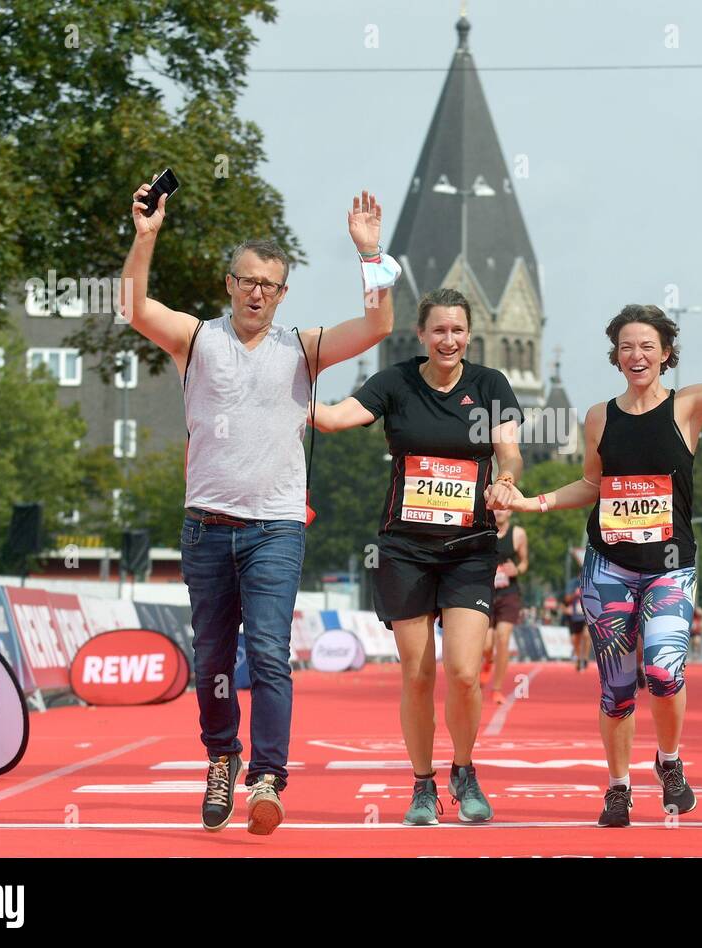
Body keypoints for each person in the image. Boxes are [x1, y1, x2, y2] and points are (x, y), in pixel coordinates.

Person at [119, 183, 398, 836]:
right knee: (213, 658)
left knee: (269, 651)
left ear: (282, 294)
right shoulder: (196, 339)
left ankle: (268, 777)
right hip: (206, 528)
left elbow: (381, 325)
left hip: (274, 528)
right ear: (229, 284)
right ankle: (221, 757)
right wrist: (146, 234)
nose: (255, 293)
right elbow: (131, 307)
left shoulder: (301, 348)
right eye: (246, 281)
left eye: (268, 285)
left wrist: (370, 252)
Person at [498, 271, 702, 827]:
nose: (636, 355)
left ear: (666, 353)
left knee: (664, 669)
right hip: (608, 565)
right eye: (626, 346)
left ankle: (670, 762)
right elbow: (592, 484)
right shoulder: (598, 416)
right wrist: (534, 502)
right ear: (616, 356)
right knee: (617, 689)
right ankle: (619, 786)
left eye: (646, 346)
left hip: (670, 567)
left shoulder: (690, 407)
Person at [308, 286, 523, 826]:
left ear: (468, 335)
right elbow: (335, 419)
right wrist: (276, 389)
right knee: (419, 674)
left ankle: (465, 770)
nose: (448, 339)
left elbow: (509, 446)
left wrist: (506, 478)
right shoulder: (396, 381)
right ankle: (423, 784)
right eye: (438, 331)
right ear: (421, 335)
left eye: (457, 330)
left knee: (465, 672)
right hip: (404, 549)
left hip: (470, 548)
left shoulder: (489, 384)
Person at [482, 507, 528, 705]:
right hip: (485, 592)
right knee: (486, 645)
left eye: (504, 508)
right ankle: (487, 662)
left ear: (510, 512)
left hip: (508, 594)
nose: (500, 512)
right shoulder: (483, 531)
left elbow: (525, 562)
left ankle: (497, 689)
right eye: (496, 508)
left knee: (503, 638)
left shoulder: (518, 534)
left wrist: (516, 569)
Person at [563, 571, 591, 671]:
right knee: (576, 639)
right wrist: (576, 594)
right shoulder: (572, 583)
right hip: (575, 616)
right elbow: (566, 599)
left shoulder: (591, 583)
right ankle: (579, 658)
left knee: (587, 635)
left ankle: (586, 659)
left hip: (586, 615)